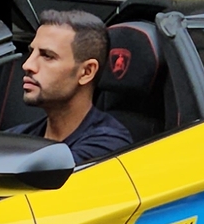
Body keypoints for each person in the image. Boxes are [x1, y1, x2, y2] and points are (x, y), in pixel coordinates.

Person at [8, 9, 132, 167]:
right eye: (31, 52)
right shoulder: (24, 134)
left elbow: (42, 175)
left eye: (47, 56)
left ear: (86, 72)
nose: (27, 65)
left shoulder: (108, 144)